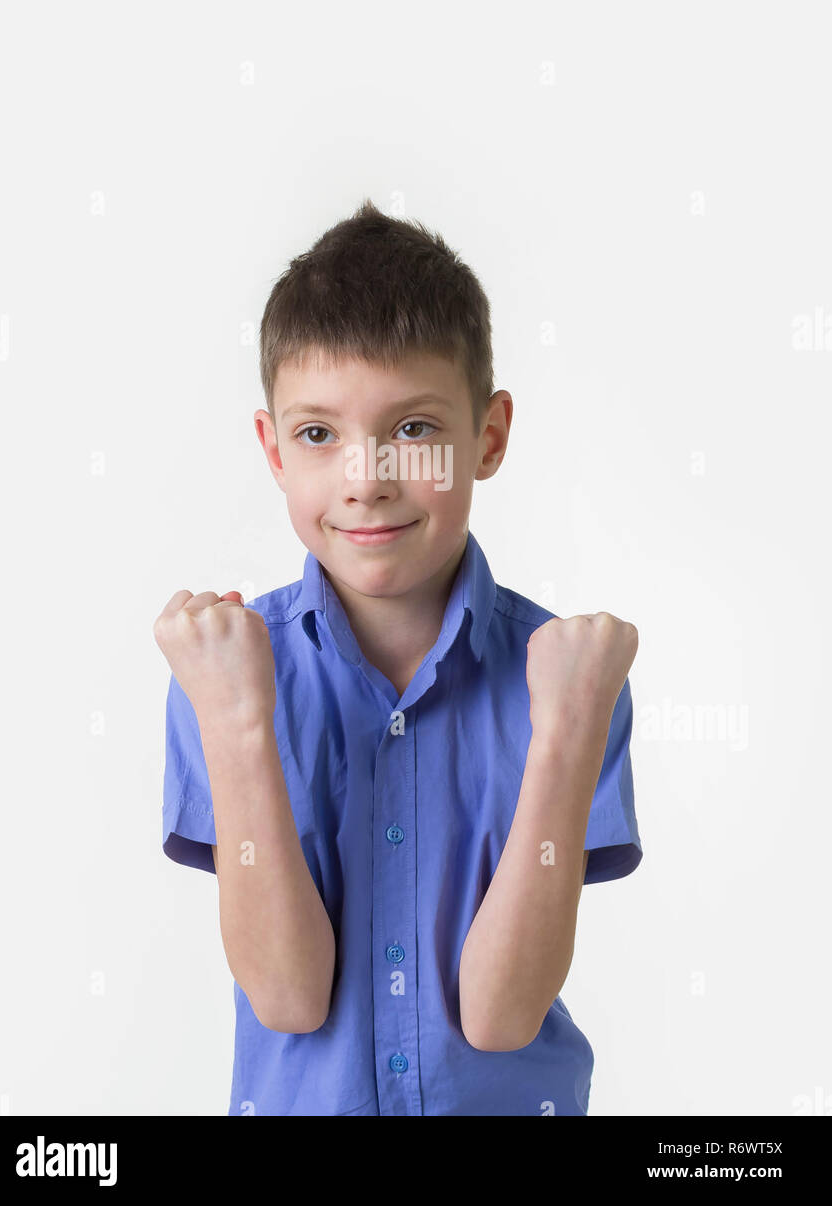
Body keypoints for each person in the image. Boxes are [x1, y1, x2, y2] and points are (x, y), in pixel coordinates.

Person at [153, 198, 642, 1116]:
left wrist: (568, 729)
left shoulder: (574, 685)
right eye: (317, 434)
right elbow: (288, 997)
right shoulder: (217, 678)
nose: (366, 477)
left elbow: (501, 1017)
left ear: (487, 437)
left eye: (413, 430)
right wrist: (237, 721)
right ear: (272, 449)